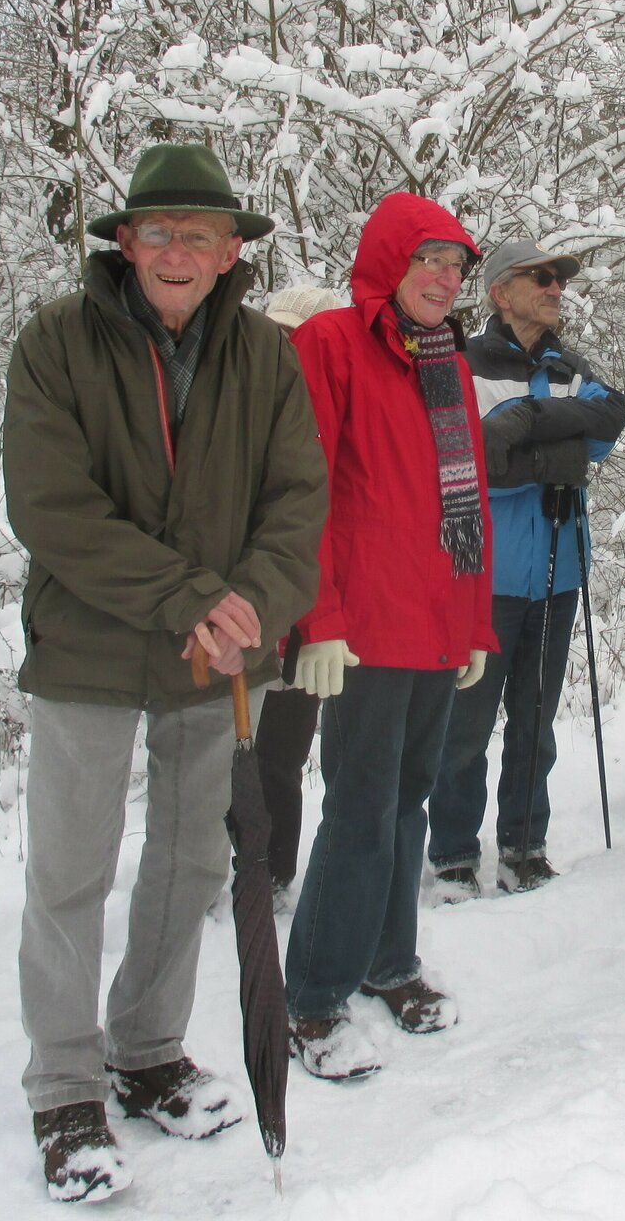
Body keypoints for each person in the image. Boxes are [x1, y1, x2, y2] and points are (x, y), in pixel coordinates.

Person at [3, 144, 327, 1202]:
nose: (178, 252)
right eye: (158, 233)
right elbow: (52, 510)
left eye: (200, 235)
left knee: (191, 868)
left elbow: (296, 505)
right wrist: (190, 594)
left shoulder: (267, 359)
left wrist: (250, 607)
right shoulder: (56, 343)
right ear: (125, 245)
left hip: (220, 658)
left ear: (233, 252)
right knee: (70, 871)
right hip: (92, 651)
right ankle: (62, 1084)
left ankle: (146, 1050)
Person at [283, 191, 498, 1082]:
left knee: (408, 799)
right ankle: (315, 995)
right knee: (360, 809)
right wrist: (319, 620)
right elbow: (305, 494)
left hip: (435, 628)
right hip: (364, 631)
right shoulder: (331, 343)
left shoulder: (448, 363)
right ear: (388, 262)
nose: (445, 281)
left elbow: (468, 504)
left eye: (457, 266)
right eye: (429, 262)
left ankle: (390, 961)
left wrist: (474, 622)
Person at [428, 240, 625, 899]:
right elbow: (468, 463)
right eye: (538, 278)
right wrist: (545, 461)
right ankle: (455, 855)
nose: (554, 287)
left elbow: (607, 423)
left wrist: (528, 421)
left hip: (558, 573)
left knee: (534, 722)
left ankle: (524, 847)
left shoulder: (570, 366)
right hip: (480, 577)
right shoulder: (462, 365)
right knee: (466, 729)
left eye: (558, 278)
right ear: (498, 293)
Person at [234, 284, 347, 911]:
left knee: (280, 755)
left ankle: (272, 874)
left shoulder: (335, 412)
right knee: (223, 749)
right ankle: (224, 859)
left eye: (296, 337)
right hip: (241, 610)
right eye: (276, 335)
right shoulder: (242, 407)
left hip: (309, 618)